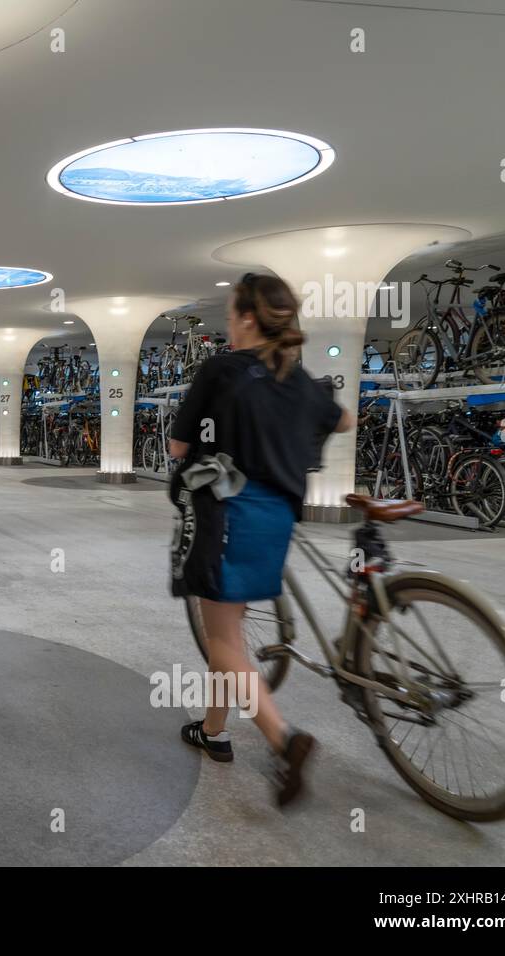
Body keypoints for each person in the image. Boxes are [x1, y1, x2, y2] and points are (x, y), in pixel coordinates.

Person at [168, 272, 354, 806]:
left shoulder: (221, 371)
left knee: (223, 640)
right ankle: (213, 730)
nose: (227, 323)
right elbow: (342, 420)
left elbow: (181, 447)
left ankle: (282, 738)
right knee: (233, 628)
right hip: (278, 518)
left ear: (248, 317)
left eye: (230, 314)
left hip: (228, 514)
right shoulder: (295, 377)